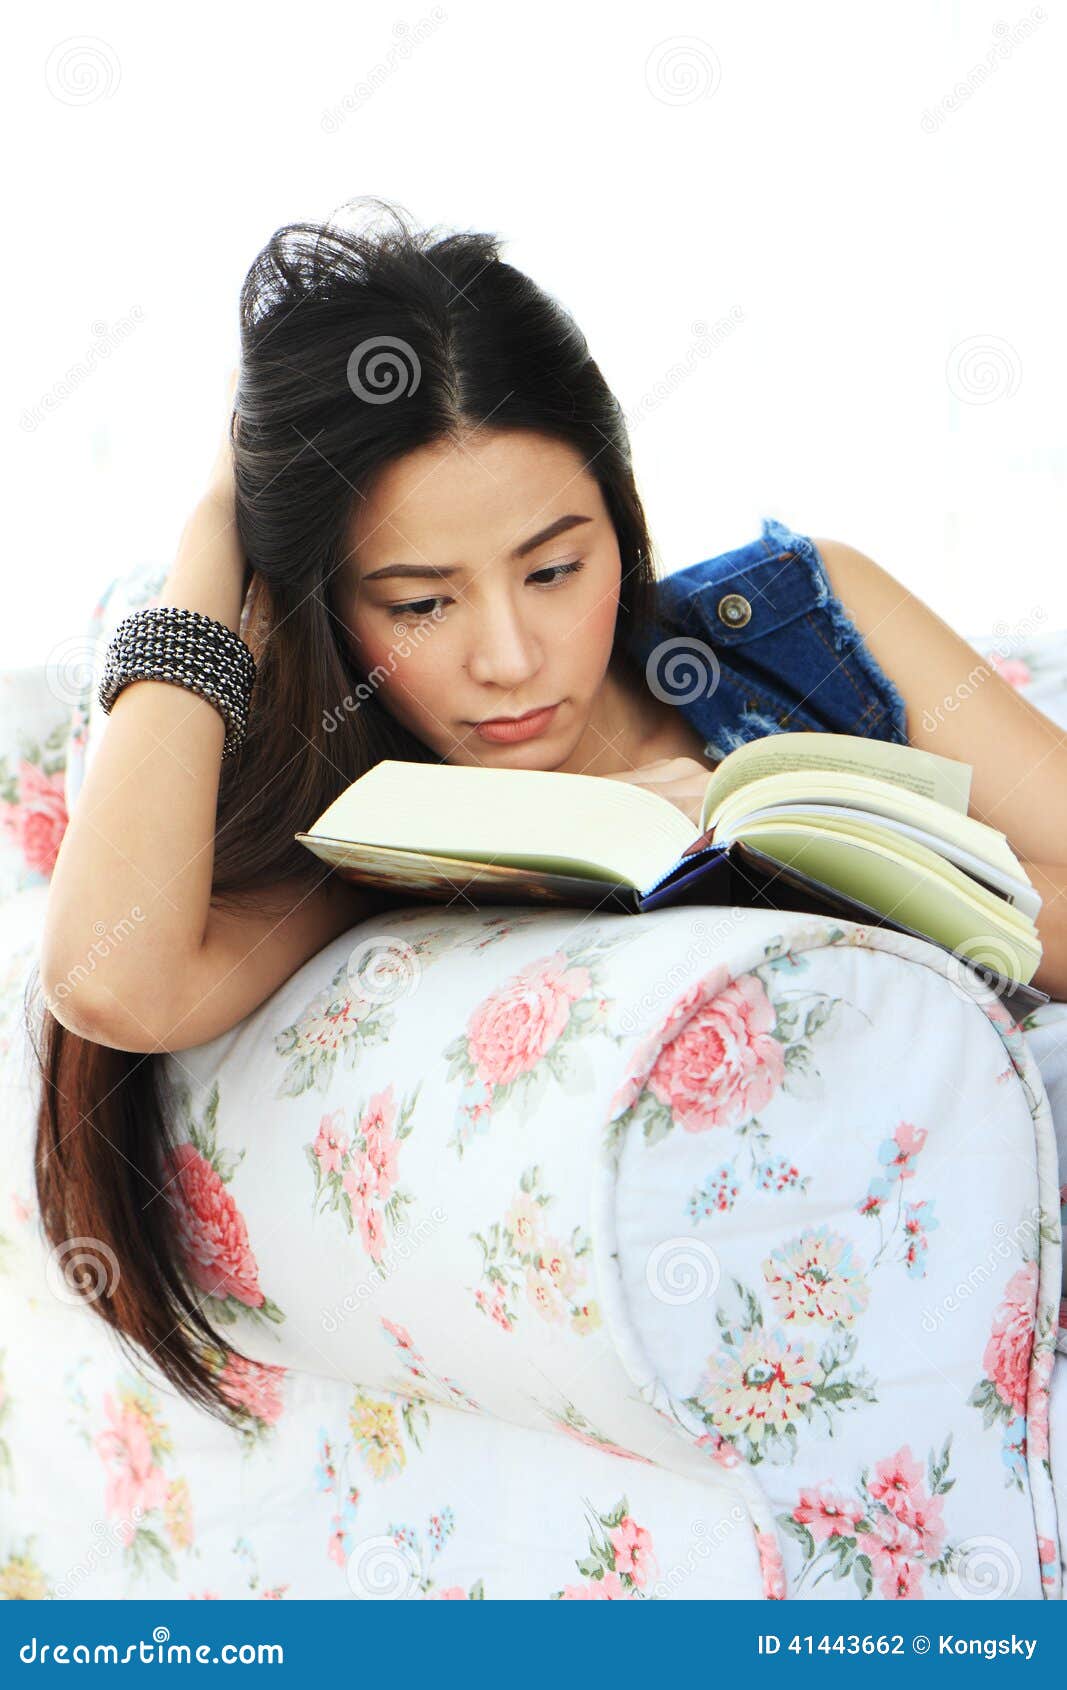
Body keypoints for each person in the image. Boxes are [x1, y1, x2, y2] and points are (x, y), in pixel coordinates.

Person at [31, 197, 1067, 1423]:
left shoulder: (798, 618)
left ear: (618, 515)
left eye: (555, 567)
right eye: (419, 603)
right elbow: (112, 979)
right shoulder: (381, 832)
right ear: (323, 607)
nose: (511, 658)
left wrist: (863, 866)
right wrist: (215, 535)